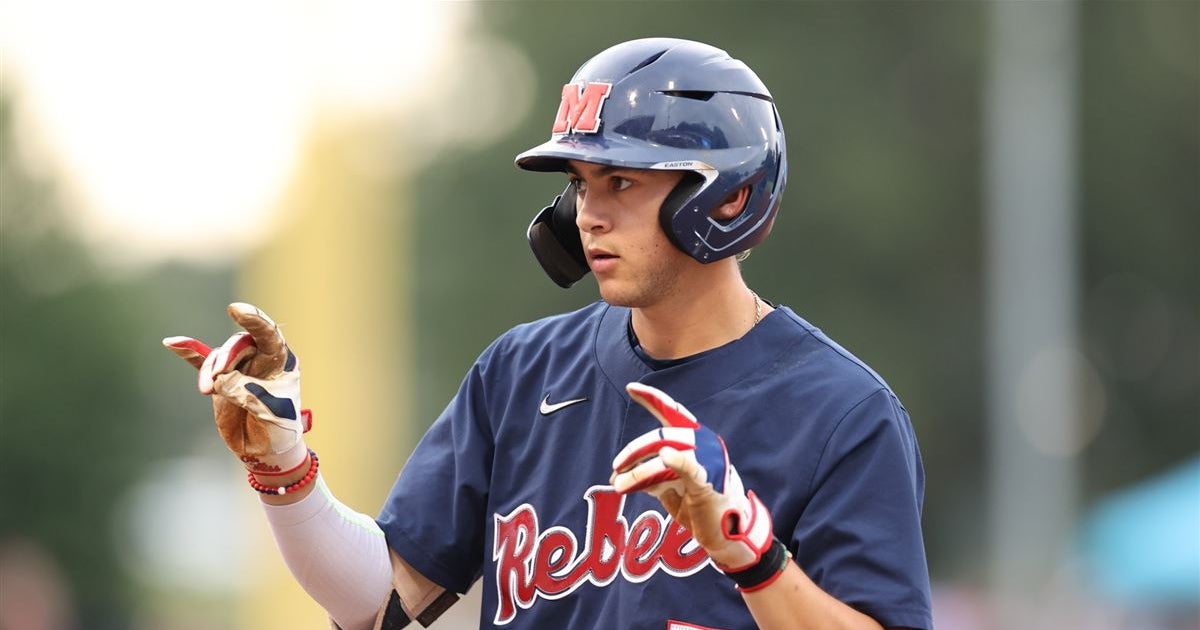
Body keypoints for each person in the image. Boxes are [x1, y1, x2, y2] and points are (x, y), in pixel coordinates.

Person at [164, 38, 932, 630]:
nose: (589, 214)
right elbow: (381, 602)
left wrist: (751, 554)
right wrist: (284, 470)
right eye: (581, 184)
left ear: (726, 197)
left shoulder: (841, 412)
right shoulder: (522, 372)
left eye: (623, 182)